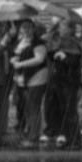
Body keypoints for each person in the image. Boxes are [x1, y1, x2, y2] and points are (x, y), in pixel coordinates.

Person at [44, 19, 82, 148]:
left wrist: (65, 57)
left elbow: (75, 60)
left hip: (69, 81)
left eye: (62, 27)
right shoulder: (60, 40)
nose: (60, 29)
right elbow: (51, 53)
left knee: (70, 111)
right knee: (62, 110)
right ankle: (68, 137)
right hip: (59, 81)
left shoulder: (73, 42)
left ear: (69, 29)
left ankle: (75, 141)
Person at [10, 20, 48, 148]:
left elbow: (39, 59)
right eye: (24, 27)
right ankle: (31, 133)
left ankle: (34, 137)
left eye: (29, 27)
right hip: (23, 79)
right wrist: (14, 59)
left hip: (37, 78)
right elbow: (17, 55)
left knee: (34, 108)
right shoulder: (20, 42)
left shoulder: (38, 43)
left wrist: (21, 64)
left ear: (33, 29)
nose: (26, 30)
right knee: (28, 108)